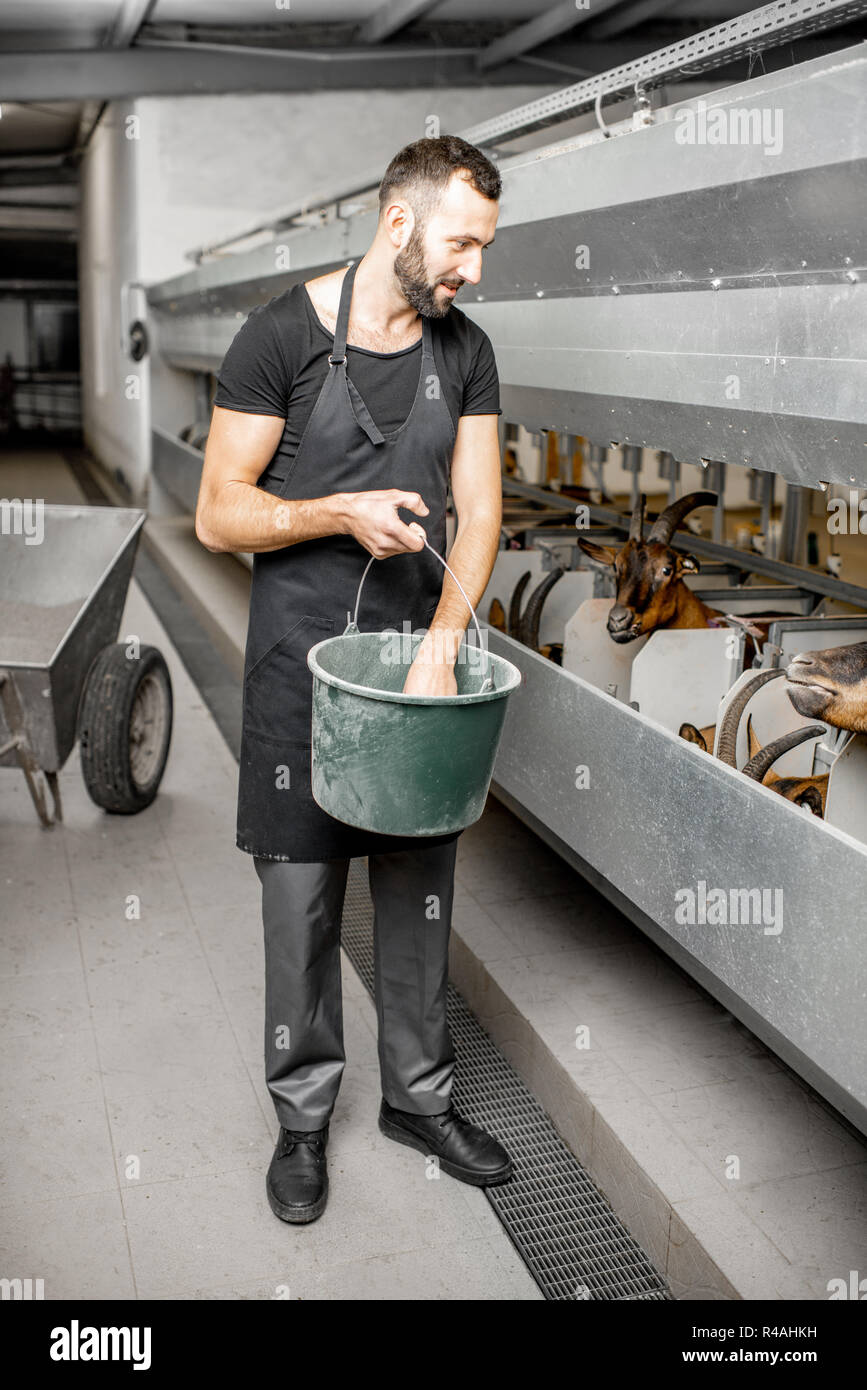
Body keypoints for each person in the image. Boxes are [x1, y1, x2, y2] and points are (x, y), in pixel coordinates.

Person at [196, 135, 511, 1225]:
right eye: (462, 242)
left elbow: (483, 510)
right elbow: (218, 509)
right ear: (398, 223)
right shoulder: (278, 336)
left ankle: (418, 1100)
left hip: (410, 671)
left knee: (420, 898)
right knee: (302, 904)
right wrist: (337, 511)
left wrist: (440, 649)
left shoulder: (464, 350)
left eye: (482, 245)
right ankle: (302, 1118)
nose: (472, 267)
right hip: (300, 668)